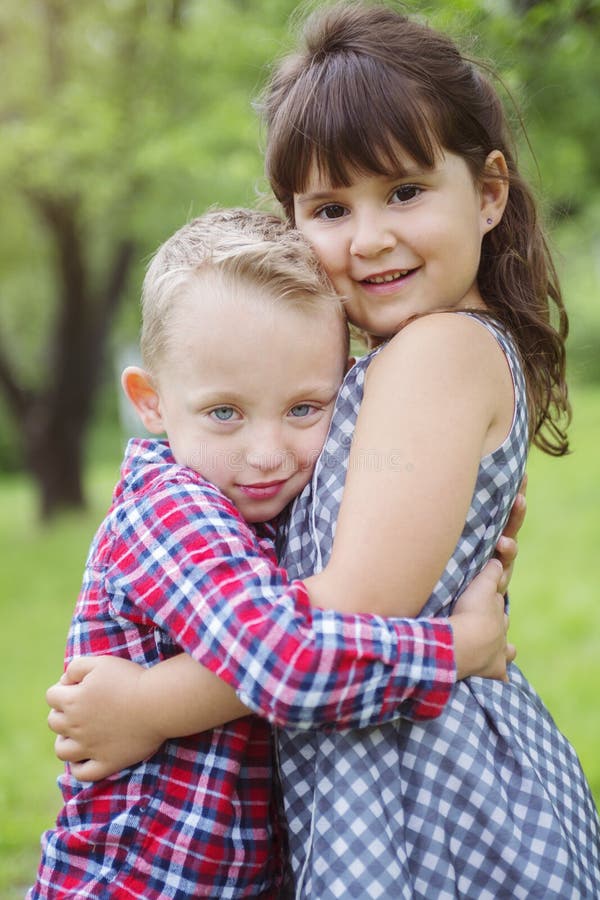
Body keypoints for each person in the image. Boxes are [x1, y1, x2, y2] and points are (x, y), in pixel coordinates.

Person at [31, 206, 517, 900]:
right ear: (152, 402)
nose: (266, 455)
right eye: (225, 412)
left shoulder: (276, 502)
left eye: (303, 409)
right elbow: (285, 662)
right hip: (137, 884)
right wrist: (457, 648)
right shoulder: (170, 510)